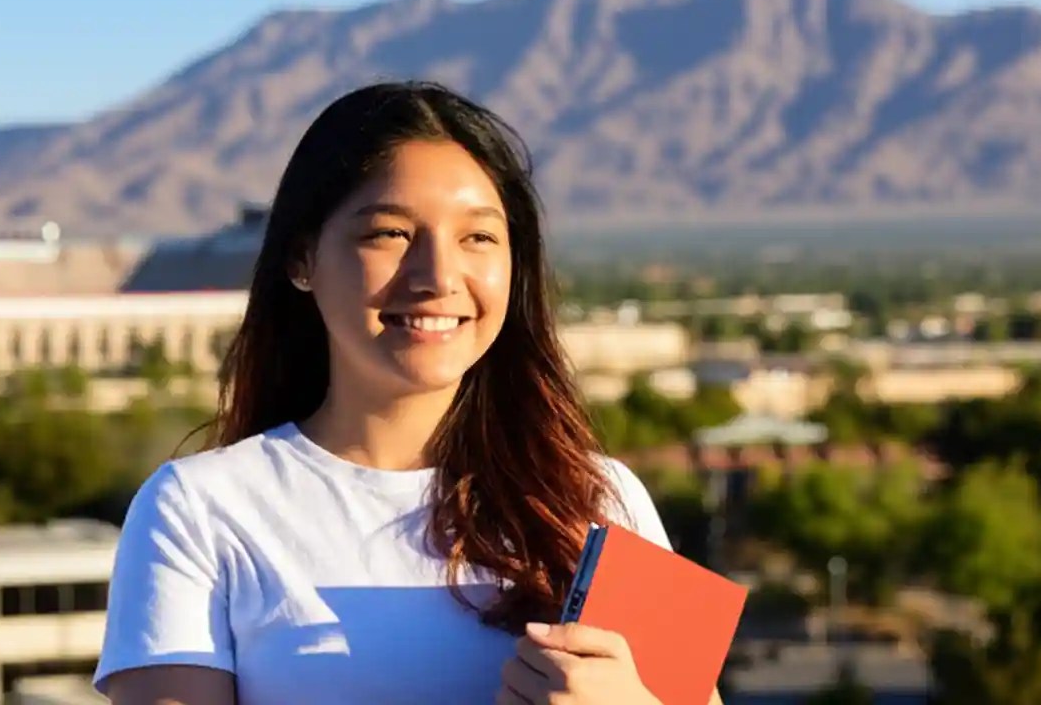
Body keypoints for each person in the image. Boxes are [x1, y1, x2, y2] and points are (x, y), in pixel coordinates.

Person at [95, 81, 716, 704]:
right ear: (302, 258)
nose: (439, 277)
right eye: (389, 234)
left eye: (478, 237)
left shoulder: (602, 498)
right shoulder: (197, 510)